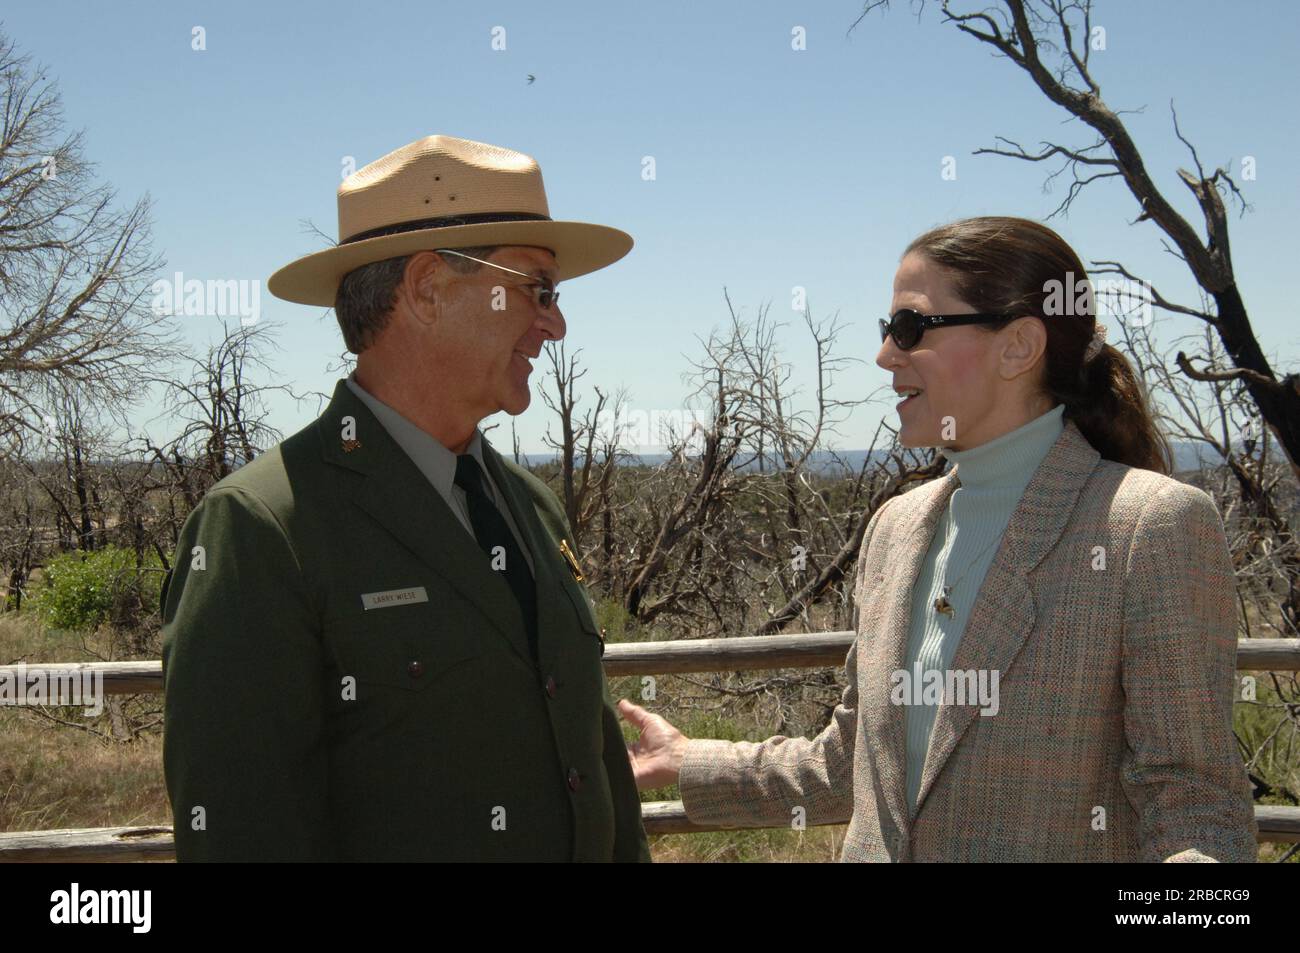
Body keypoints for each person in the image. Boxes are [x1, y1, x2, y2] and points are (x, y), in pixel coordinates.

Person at [618, 216, 1257, 862]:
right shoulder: (894, 530)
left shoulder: (1148, 529)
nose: (884, 356)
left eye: (910, 327)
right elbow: (850, 765)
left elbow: (1197, 815)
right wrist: (689, 758)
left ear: (1018, 346)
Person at [161, 134, 650, 862]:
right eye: (537, 288)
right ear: (427, 288)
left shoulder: (529, 506)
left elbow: (594, 769)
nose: (555, 322)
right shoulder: (264, 528)